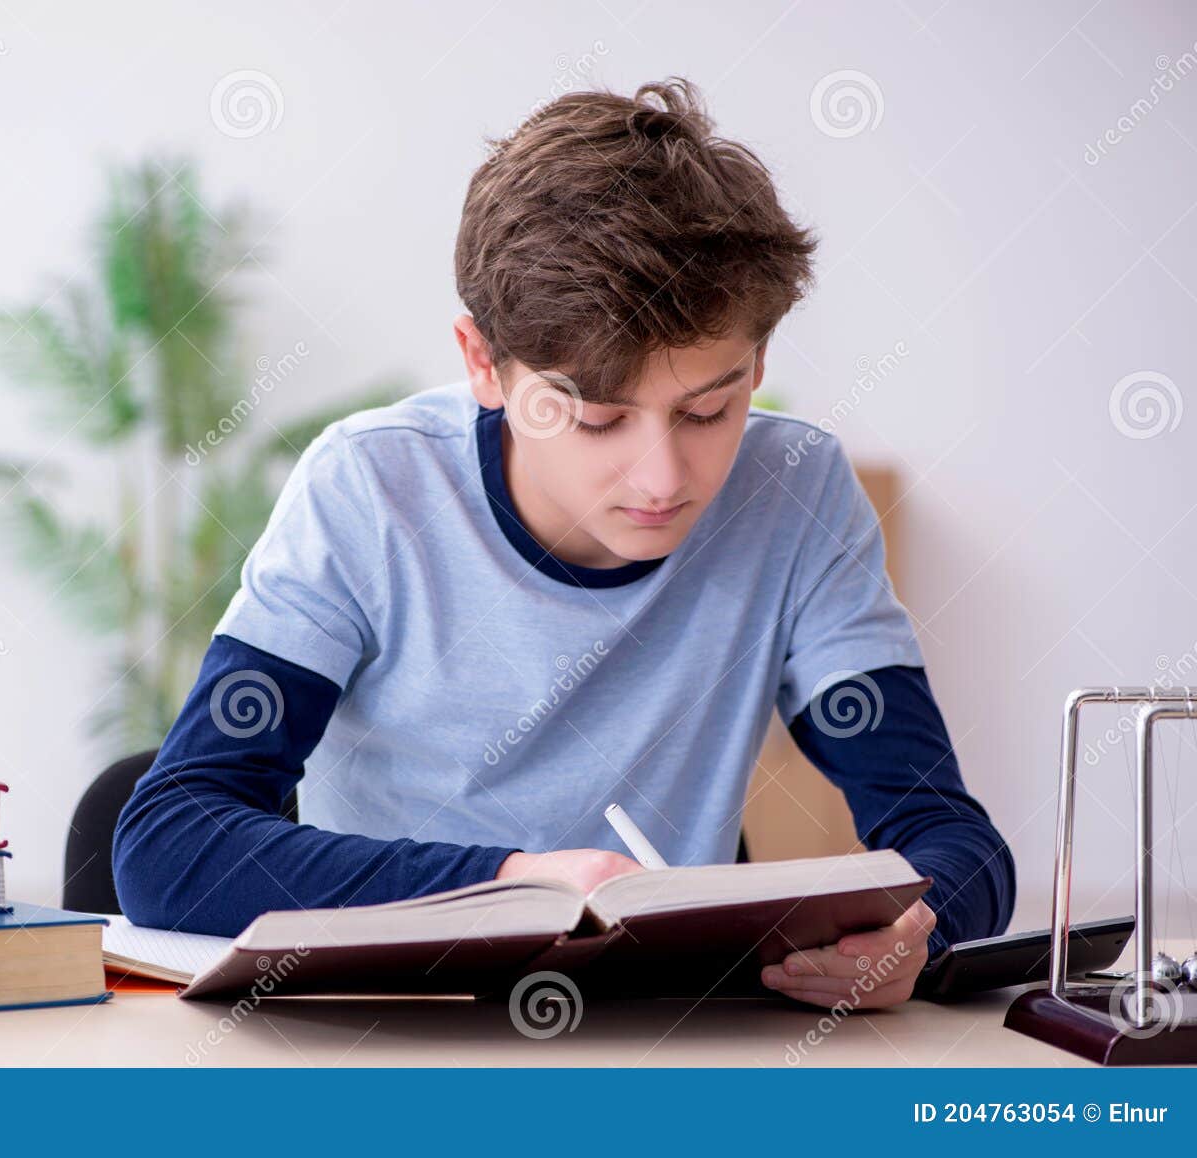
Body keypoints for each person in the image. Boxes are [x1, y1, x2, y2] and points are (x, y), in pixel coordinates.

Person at [113, 78, 1014, 1009]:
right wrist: (511, 888)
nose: (664, 480)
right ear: (482, 364)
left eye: (709, 408)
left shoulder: (795, 493)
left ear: (758, 363)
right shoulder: (371, 491)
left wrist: (919, 932)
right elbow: (172, 843)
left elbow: (951, 840)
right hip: (395, 1031)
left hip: (662, 1045)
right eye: (595, 421)